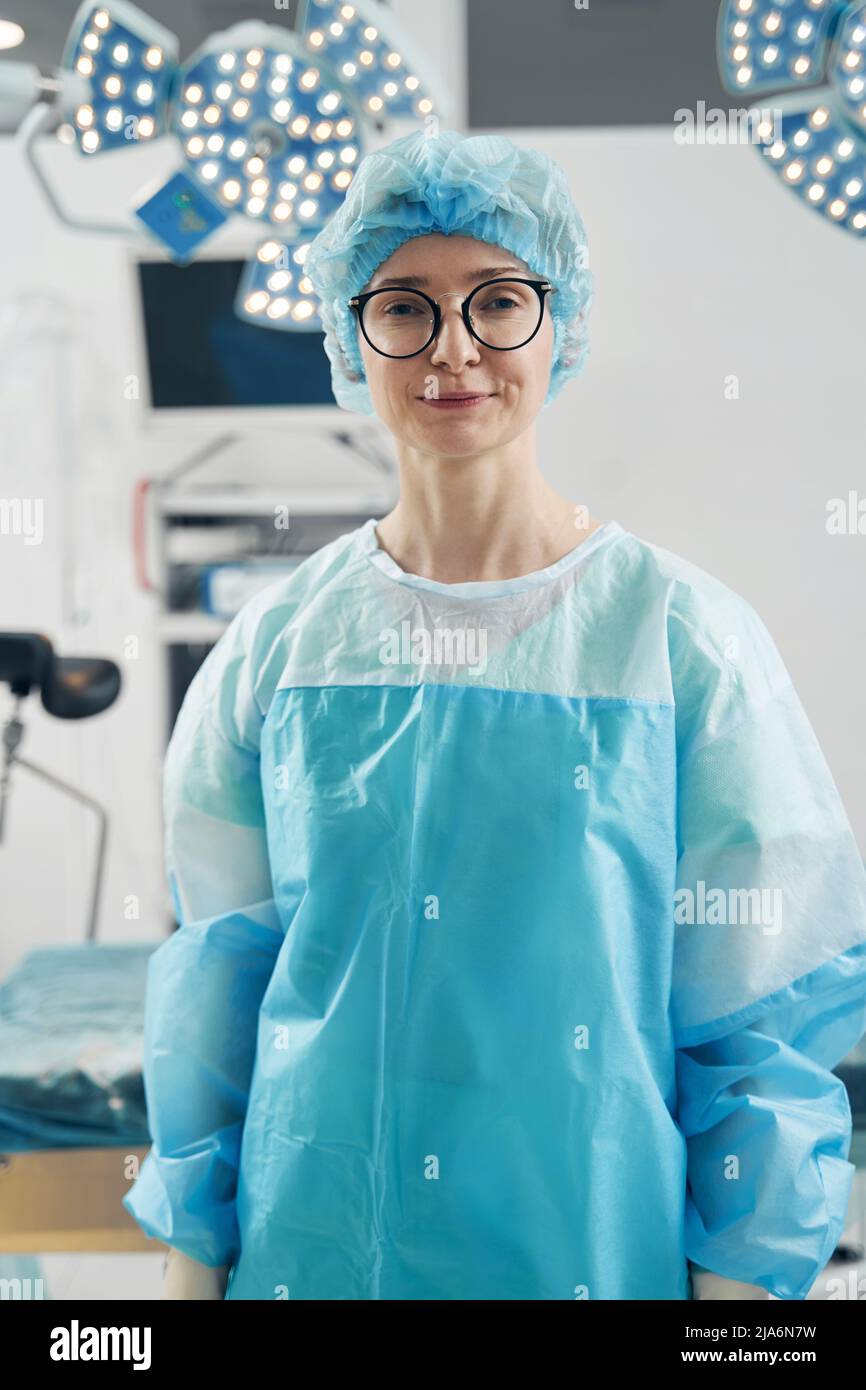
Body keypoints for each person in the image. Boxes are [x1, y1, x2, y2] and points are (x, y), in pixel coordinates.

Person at [123, 129, 866, 1301]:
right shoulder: (276, 652)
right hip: (311, 1252)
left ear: (556, 323)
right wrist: (185, 1280)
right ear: (349, 335)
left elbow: (756, 1029)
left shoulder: (681, 643)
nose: (453, 348)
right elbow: (216, 998)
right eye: (405, 307)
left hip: (587, 1251)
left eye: (496, 301)